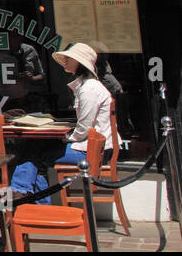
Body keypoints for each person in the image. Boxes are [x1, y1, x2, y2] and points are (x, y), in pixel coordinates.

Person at [11, 43, 113, 195]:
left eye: (69, 58)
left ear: (79, 62)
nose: (65, 60)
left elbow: (84, 128)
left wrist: (65, 138)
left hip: (92, 151)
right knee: (37, 148)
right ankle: (32, 199)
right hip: (90, 147)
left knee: (36, 152)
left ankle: (21, 191)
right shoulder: (87, 86)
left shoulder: (89, 89)